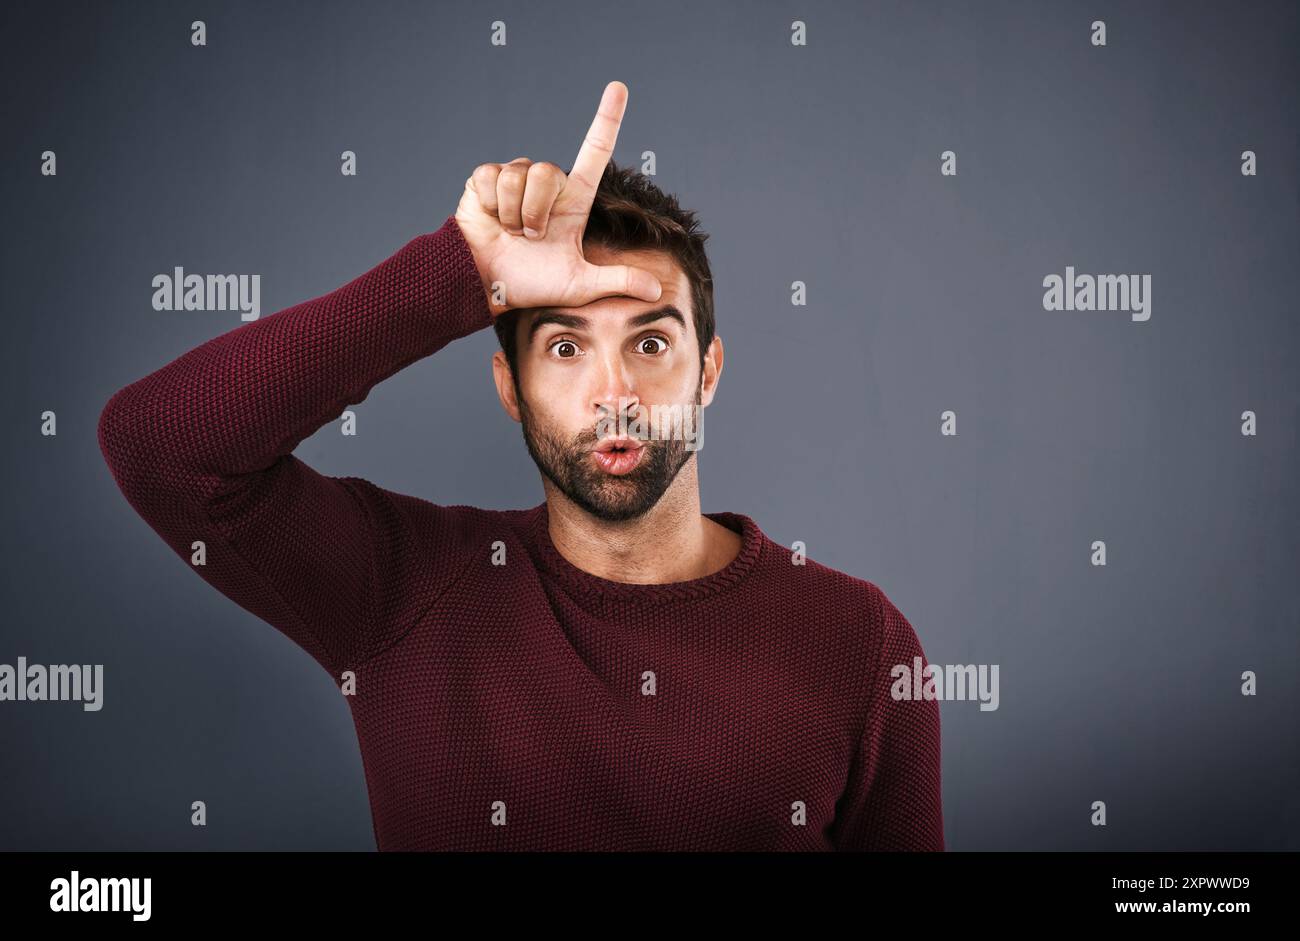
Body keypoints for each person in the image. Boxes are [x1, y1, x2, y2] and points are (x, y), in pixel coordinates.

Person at [98, 81, 944, 851]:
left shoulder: (861, 643)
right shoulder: (399, 587)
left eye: (650, 342)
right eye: (566, 345)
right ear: (510, 383)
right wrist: (458, 272)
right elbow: (159, 446)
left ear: (709, 370)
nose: (614, 392)